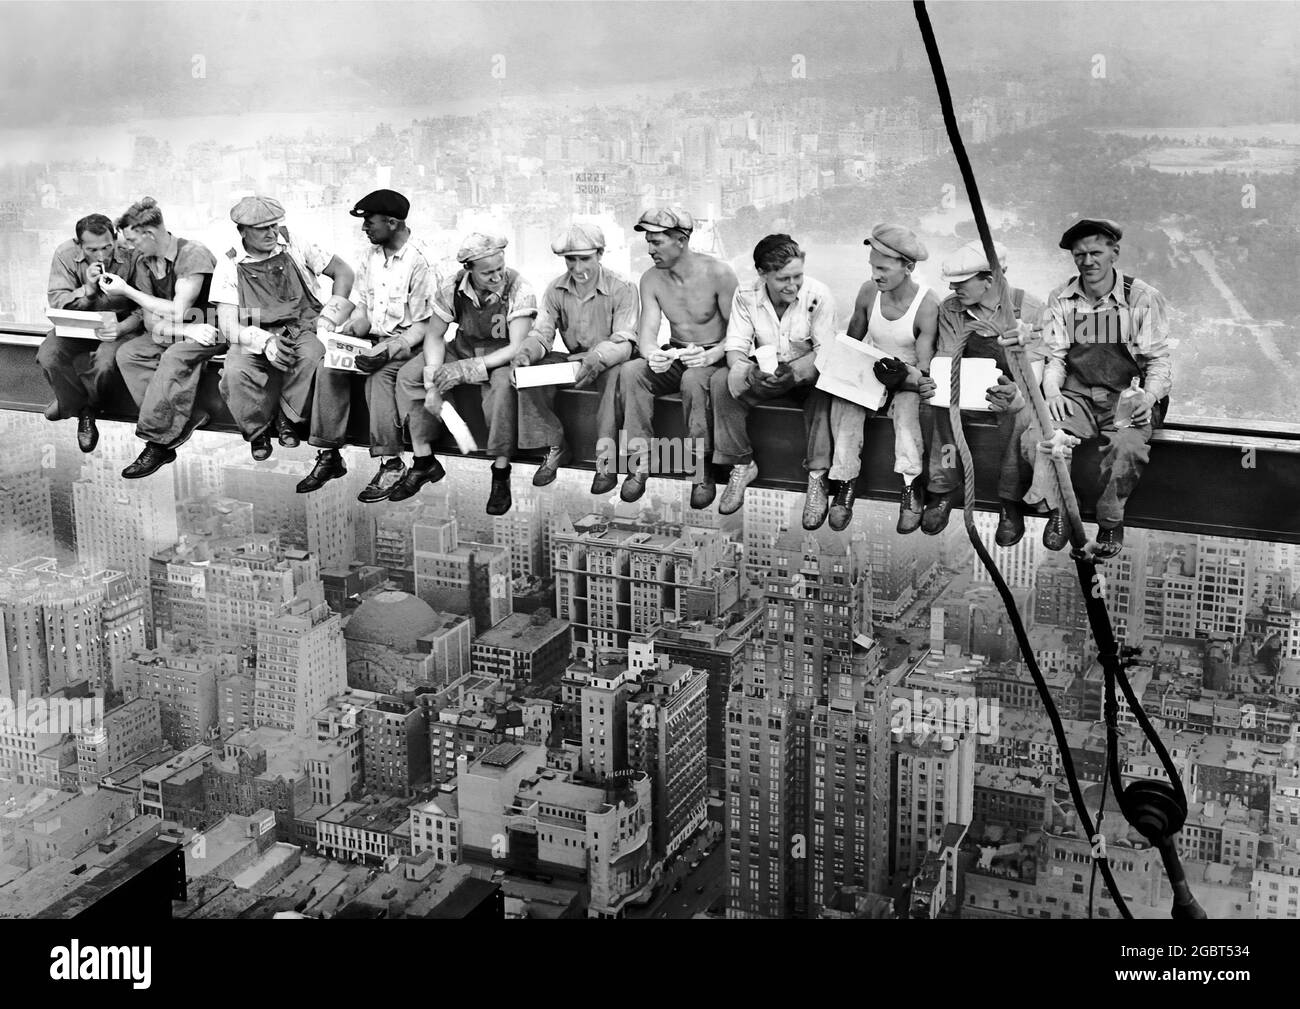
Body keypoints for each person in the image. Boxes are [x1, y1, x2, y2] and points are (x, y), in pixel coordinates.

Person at [1028, 218, 1172, 558]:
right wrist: (1052, 392)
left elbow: (1159, 362)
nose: (1087, 262)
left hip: (1126, 398)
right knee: (1045, 438)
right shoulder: (1062, 298)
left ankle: (1109, 520)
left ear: (1114, 253)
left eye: (1095, 252)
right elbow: (1056, 356)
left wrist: (1149, 397)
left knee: (1126, 448)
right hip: (1077, 395)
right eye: (1079, 255)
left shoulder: (1141, 298)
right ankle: (1061, 508)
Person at [297, 189, 434, 501]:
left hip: (408, 347)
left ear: (393, 222)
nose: (364, 229)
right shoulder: (370, 257)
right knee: (329, 366)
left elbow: (424, 326)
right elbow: (363, 309)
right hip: (374, 339)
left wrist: (388, 349)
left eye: (369, 222)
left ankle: (392, 463)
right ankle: (329, 455)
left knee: (379, 378)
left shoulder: (420, 261)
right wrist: (347, 332)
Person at [393, 232, 537, 514]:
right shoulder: (452, 287)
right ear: (469, 270)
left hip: (500, 356)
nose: (496, 277)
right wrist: (433, 383)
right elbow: (435, 336)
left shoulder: (521, 289)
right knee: (410, 374)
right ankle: (424, 460)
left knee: (503, 389)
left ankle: (500, 471)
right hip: (463, 348)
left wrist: (467, 370)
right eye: (487, 274)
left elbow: (516, 346)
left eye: (500, 269)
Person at [920, 240, 1045, 546]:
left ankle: (1009, 501)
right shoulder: (951, 309)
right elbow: (948, 356)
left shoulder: (1028, 308)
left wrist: (1016, 392)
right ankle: (944, 488)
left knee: (1019, 418)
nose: (952, 287)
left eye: (961, 282)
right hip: (965, 386)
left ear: (990, 280)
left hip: (1012, 390)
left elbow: (1036, 366)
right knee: (941, 411)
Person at [212, 195, 355, 462]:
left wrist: (329, 319)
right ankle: (258, 431)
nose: (272, 232)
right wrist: (264, 342)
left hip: (302, 326)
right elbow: (229, 325)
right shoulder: (229, 263)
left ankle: (288, 419)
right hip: (254, 332)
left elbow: (344, 273)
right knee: (235, 372)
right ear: (242, 231)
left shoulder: (294, 243)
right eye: (262, 228)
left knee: (312, 358)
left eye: (274, 225)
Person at [618, 206, 738, 509]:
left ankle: (702, 468)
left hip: (714, 355)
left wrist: (711, 355)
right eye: (648, 241)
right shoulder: (651, 280)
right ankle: (640, 461)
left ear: (681, 240)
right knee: (632, 372)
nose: (649, 250)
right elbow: (647, 334)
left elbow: (739, 333)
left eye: (656, 242)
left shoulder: (719, 274)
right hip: (676, 351)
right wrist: (654, 355)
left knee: (693, 380)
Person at [713, 234, 835, 526]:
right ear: (762, 274)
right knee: (721, 383)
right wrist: (748, 373)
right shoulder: (745, 296)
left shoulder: (818, 294)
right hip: (765, 371)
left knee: (824, 392)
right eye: (783, 279)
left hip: (806, 374)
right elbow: (736, 347)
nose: (792, 285)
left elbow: (825, 352)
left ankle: (817, 478)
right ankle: (742, 464)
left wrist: (794, 373)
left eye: (798, 276)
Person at [513, 222, 638, 492]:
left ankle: (606, 462)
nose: (578, 268)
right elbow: (542, 334)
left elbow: (625, 341)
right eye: (571, 260)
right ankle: (556, 445)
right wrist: (526, 353)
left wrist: (597, 357)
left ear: (600, 254)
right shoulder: (556, 290)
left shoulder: (622, 287)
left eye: (585, 259)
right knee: (528, 377)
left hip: (610, 359)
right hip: (575, 360)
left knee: (614, 380)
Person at [831, 224, 940, 532]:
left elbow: (925, 367)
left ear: (908, 267)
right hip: (872, 368)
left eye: (882, 268)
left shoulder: (927, 306)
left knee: (907, 414)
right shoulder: (868, 292)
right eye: (872, 267)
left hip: (905, 376)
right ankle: (846, 481)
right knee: (848, 407)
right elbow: (852, 343)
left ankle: (910, 484)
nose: (875, 275)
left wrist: (906, 377)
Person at [106, 198, 221, 478]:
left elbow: (179, 310)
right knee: (129, 354)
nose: (130, 247)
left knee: (174, 356)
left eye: (133, 240)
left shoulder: (193, 254)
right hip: (181, 330)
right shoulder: (145, 262)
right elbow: (150, 319)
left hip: (212, 328)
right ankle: (184, 418)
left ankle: (157, 442)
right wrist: (183, 330)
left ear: (150, 234)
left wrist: (127, 291)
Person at [41, 213, 142, 452]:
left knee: (105, 364)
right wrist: (87, 290)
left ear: (115, 238)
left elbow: (143, 306)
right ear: (79, 245)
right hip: (77, 322)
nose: (102, 255)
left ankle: (84, 409)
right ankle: (74, 403)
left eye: (107, 247)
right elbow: (57, 301)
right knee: (49, 356)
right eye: (92, 249)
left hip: (119, 324)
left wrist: (121, 328)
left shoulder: (132, 253)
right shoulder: (65, 254)